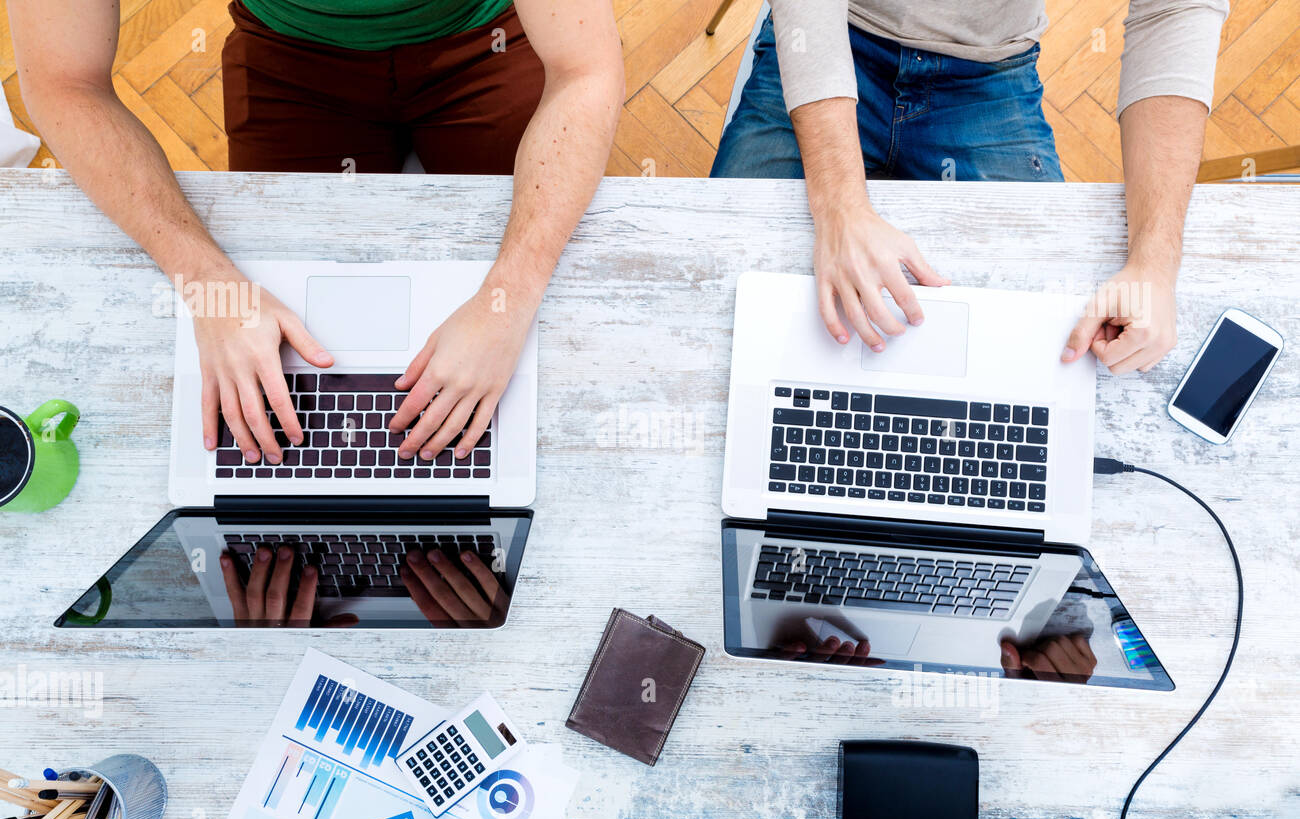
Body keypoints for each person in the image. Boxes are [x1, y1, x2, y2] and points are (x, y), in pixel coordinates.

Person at [8, 0, 623, 465]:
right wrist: (207, 283)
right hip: (290, 56)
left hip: (483, 38)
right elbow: (64, 80)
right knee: (292, 358)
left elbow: (585, 70)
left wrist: (510, 299)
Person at [712, 0, 1228, 376]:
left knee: (1040, 354)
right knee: (717, 308)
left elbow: (1177, 8)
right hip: (835, 27)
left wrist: (1154, 266)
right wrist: (840, 205)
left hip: (987, 72)